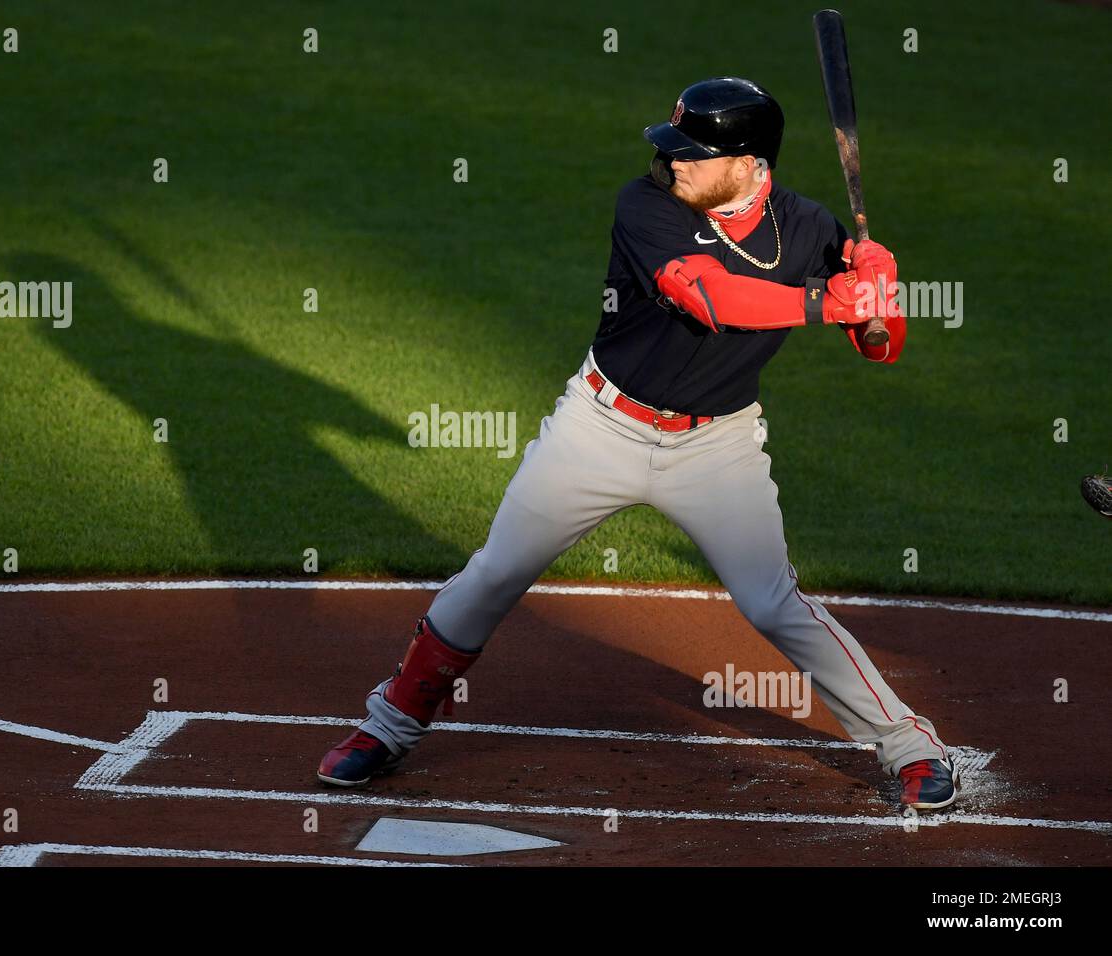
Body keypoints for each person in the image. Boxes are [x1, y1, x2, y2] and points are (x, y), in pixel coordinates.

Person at [317, 77, 960, 811]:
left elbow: (882, 349)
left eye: (694, 152)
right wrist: (826, 299)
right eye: (673, 147)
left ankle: (912, 745)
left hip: (716, 447)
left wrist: (879, 281)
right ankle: (389, 725)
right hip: (600, 428)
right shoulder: (646, 205)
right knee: (495, 573)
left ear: (750, 165)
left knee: (773, 603)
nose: (674, 161)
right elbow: (707, 295)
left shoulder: (808, 227)